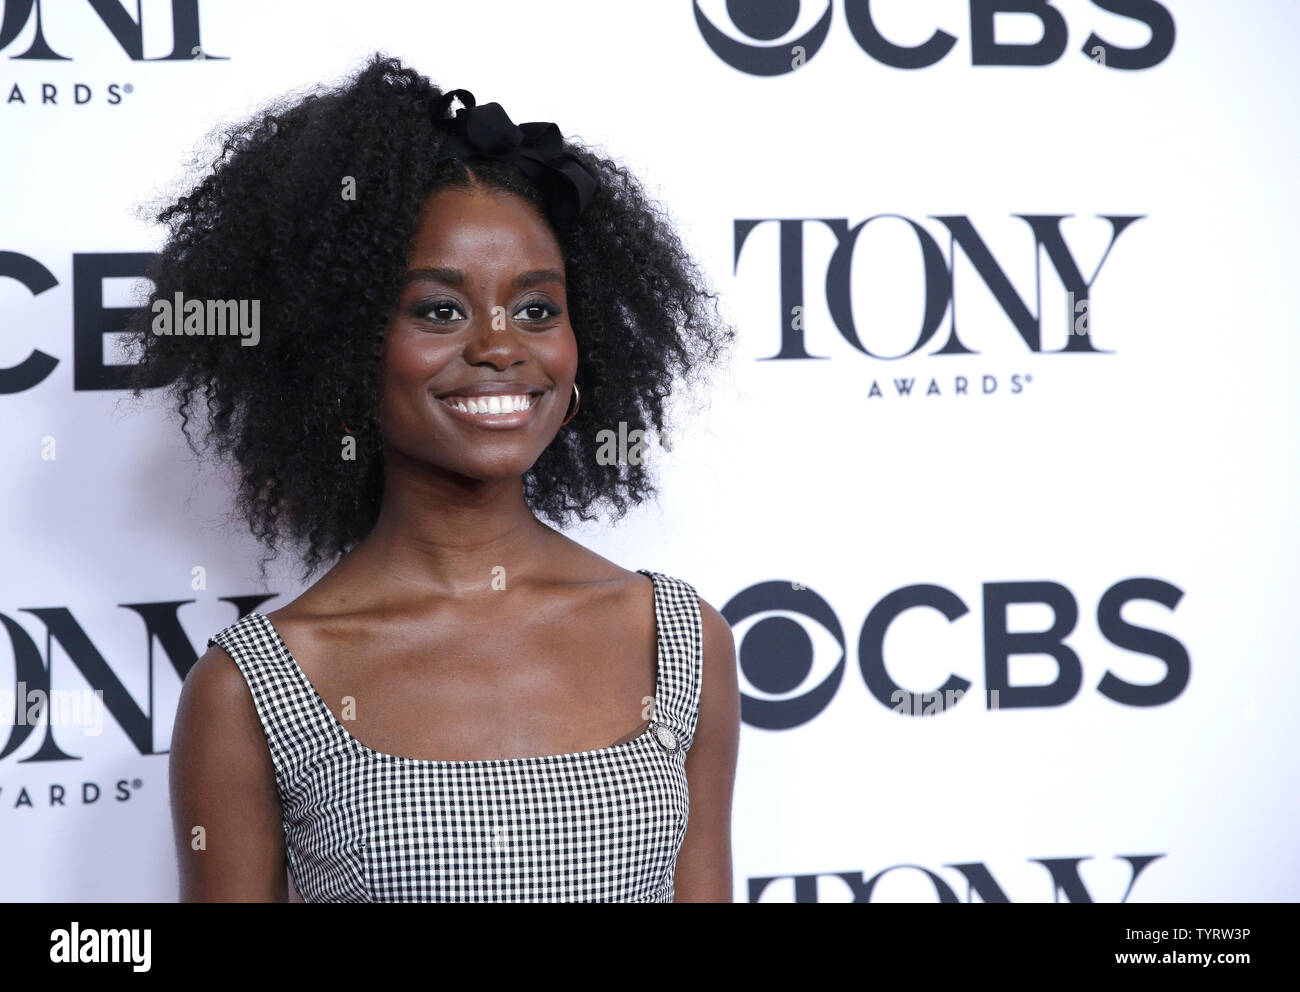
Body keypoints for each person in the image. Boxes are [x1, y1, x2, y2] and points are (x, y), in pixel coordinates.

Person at [129, 54, 740, 902]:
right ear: (345, 351)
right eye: (439, 310)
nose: (499, 346)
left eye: (536, 309)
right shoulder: (253, 690)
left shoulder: (680, 642)